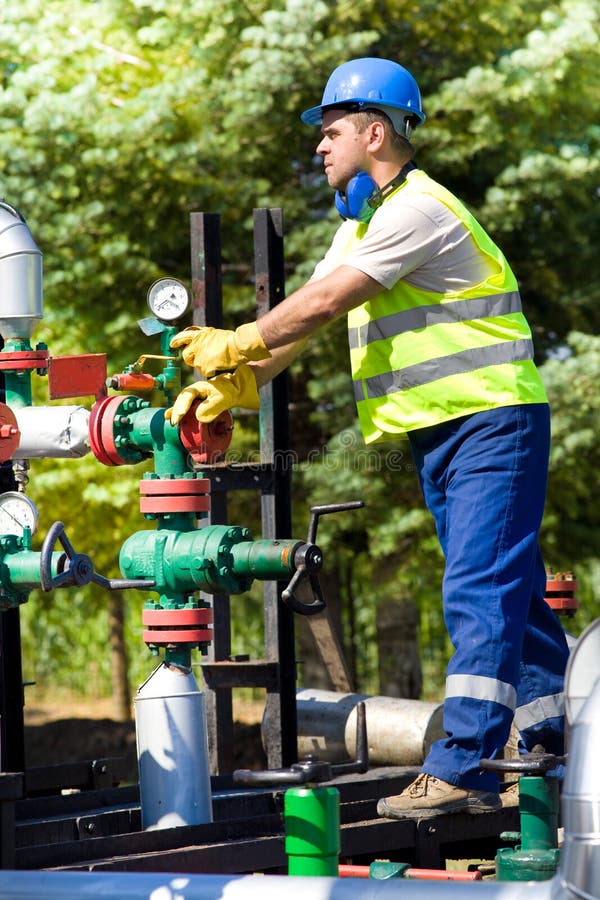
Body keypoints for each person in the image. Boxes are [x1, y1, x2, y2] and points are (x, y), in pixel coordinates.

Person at [167, 57, 569, 818]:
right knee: (511, 593)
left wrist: (237, 340)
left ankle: (465, 767)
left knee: (479, 591)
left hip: (491, 422)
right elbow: (305, 315)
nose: (319, 148)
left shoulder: (416, 210)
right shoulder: (366, 219)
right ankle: (545, 750)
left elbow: (323, 302)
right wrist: (235, 383)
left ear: (375, 132)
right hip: (449, 431)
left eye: (332, 132)